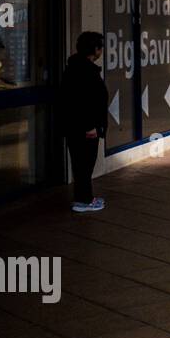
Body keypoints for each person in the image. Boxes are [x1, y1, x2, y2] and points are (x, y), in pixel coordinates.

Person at [60, 31, 108, 212]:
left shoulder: (73, 68)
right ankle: (84, 200)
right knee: (85, 165)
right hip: (85, 128)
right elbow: (83, 102)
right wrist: (91, 126)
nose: (101, 51)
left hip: (76, 127)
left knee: (81, 164)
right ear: (95, 49)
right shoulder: (85, 71)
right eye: (100, 47)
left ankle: (84, 198)